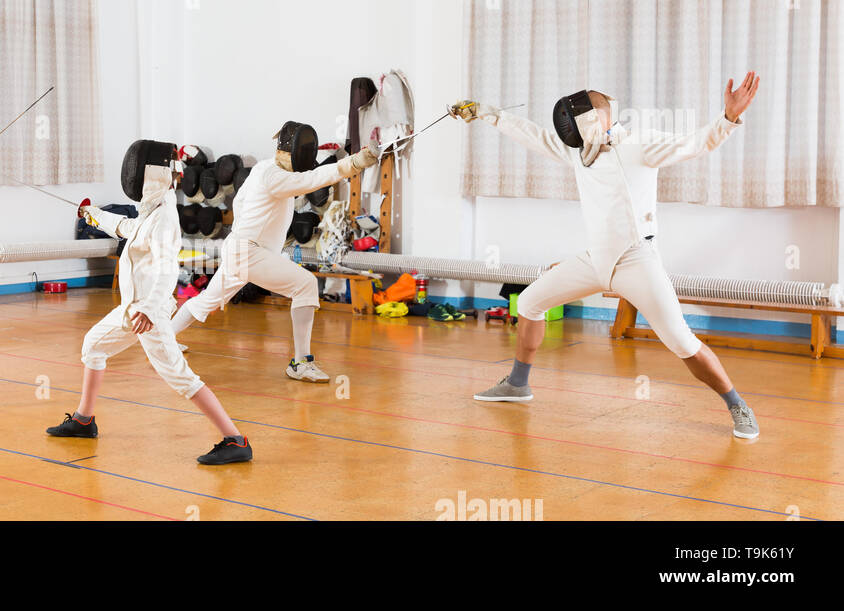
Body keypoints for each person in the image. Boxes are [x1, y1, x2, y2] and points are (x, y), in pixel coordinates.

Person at [453, 72, 762, 439]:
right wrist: (486, 113)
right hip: (594, 260)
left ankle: (738, 406)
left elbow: (694, 143)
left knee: (680, 340)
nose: (569, 131)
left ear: (598, 118)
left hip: (636, 260)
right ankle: (518, 384)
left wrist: (726, 119)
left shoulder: (639, 145)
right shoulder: (579, 153)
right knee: (531, 302)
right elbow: (533, 135)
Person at [47, 139, 251, 465]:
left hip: (147, 314)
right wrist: (93, 215)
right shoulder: (151, 209)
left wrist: (150, 308)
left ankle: (235, 440)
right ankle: (84, 420)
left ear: (150, 174)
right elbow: (127, 227)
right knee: (94, 345)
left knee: (180, 376)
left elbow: (168, 267)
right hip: (132, 310)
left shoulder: (164, 217)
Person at [169, 121, 380, 383]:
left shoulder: (263, 168)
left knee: (207, 300)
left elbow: (240, 200)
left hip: (241, 248)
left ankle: (164, 340)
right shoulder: (275, 177)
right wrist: (355, 163)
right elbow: (311, 179)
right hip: (249, 252)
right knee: (305, 285)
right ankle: (301, 363)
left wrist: (245, 232)